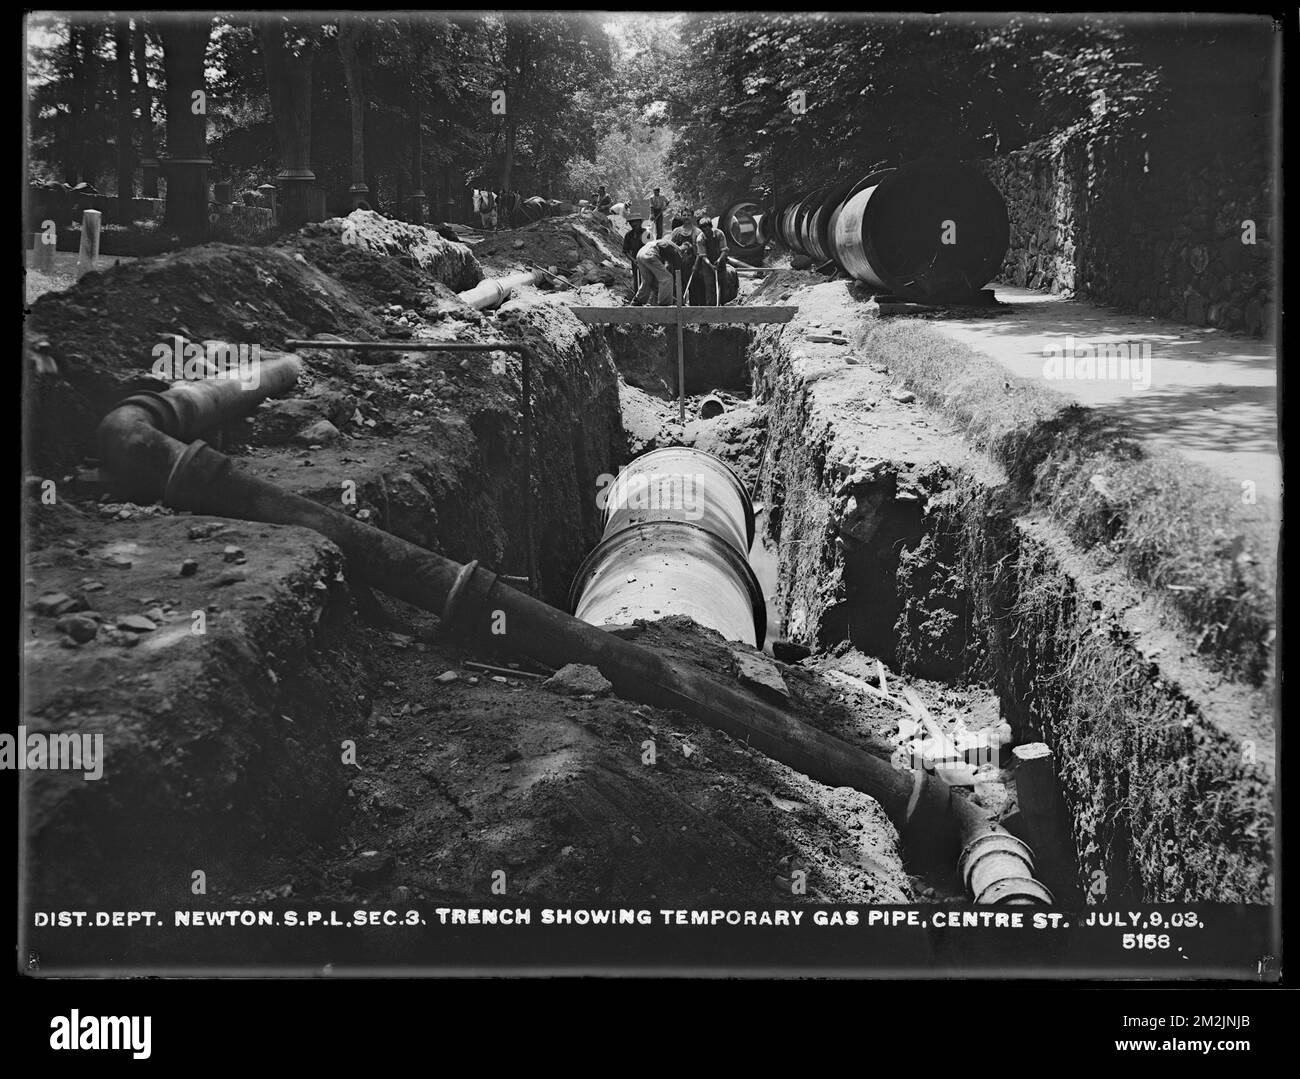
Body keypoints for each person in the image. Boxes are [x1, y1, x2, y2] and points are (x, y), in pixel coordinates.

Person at [633, 235, 688, 306]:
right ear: (685, 251)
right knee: (667, 278)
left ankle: (638, 301)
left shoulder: (667, 245)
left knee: (648, 280)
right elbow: (678, 274)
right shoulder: (677, 251)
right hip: (650, 253)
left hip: (640, 253)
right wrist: (680, 298)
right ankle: (664, 304)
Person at [695, 216, 729, 305]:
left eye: (707, 227)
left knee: (724, 285)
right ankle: (712, 310)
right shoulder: (700, 239)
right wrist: (711, 265)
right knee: (710, 288)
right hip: (707, 266)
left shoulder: (719, 234)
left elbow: (724, 250)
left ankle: (725, 307)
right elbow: (703, 255)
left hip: (721, 263)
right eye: (703, 228)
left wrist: (719, 260)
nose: (706, 230)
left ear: (711, 226)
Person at [623, 216, 645, 295]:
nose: (633, 224)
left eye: (635, 222)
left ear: (640, 222)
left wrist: (644, 260)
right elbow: (625, 251)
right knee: (637, 279)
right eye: (631, 223)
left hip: (646, 261)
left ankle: (648, 299)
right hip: (635, 262)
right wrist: (634, 260)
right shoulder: (628, 235)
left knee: (647, 279)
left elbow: (652, 248)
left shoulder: (646, 233)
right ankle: (637, 298)